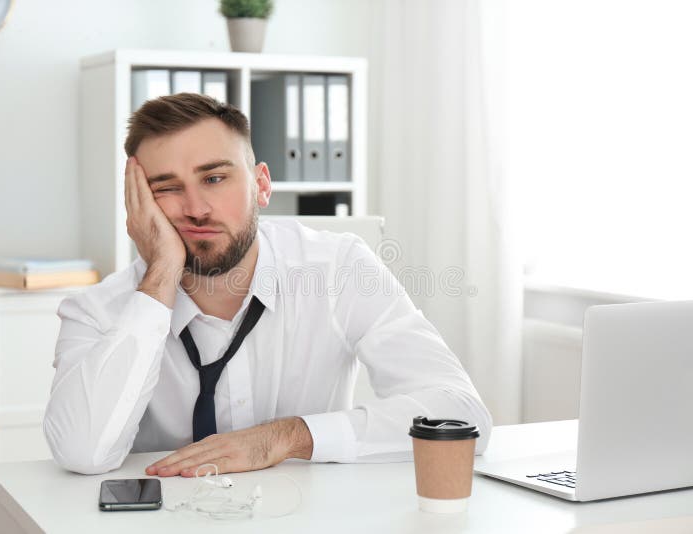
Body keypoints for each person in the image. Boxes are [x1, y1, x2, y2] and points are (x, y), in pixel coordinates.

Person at [43, 93, 492, 477]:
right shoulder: (98, 311)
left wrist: (289, 436)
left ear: (261, 184)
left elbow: (462, 416)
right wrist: (160, 273)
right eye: (167, 188)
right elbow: (82, 452)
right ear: (138, 204)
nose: (196, 208)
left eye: (214, 178)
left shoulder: (339, 268)